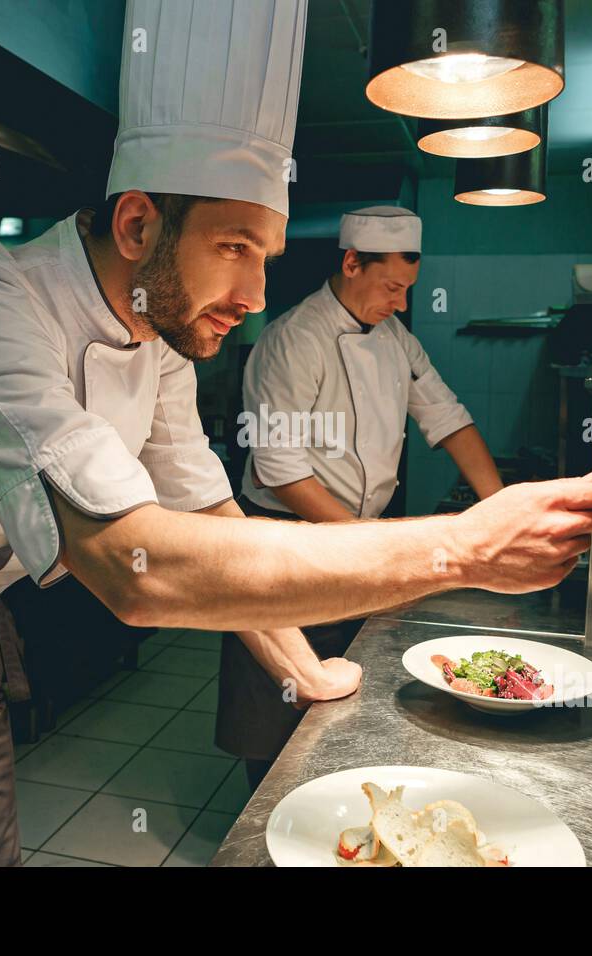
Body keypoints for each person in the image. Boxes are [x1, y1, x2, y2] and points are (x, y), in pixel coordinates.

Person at [0, 0, 592, 866]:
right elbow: (136, 567)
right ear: (138, 222)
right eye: (235, 248)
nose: (254, 299)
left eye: (268, 257)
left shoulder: (159, 342)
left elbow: (210, 507)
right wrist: (462, 547)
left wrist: (307, 666)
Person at [217, 207, 504, 787]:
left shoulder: (395, 337)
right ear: (352, 263)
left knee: (345, 684)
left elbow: (447, 418)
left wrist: (500, 511)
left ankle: (331, 801)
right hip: (283, 537)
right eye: (392, 286)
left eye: (407, 289)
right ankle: (259, 829)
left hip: (351, 529)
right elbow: (280, 472)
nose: (400, 302)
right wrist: (371, 548)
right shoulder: (292, 340)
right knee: (277, 696)